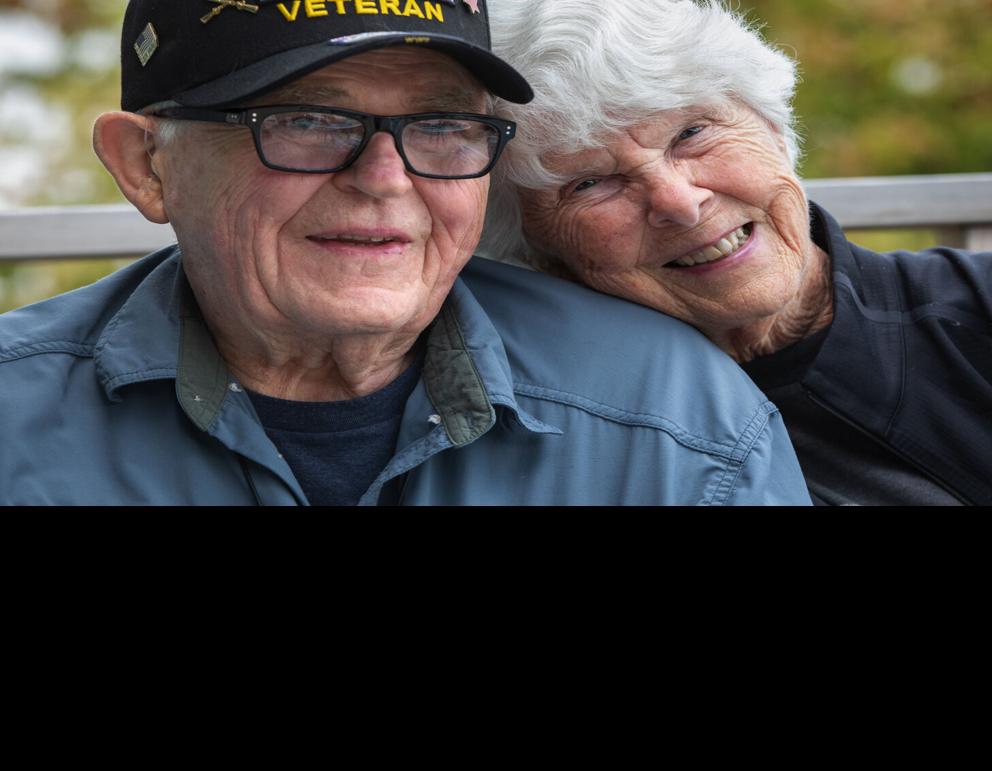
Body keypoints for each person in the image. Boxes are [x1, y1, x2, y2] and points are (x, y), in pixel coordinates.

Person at [0, 0, 809, 505]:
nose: (385, 180)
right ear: (148, 167)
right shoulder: (15, 421)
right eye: (308, 121)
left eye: (442, 126)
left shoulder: (669, 417)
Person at [479, 0, 992, 506]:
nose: (677, 199)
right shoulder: (546, 436)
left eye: (692, 132)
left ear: (771, 124)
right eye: (591, 182)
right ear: (536, 245)